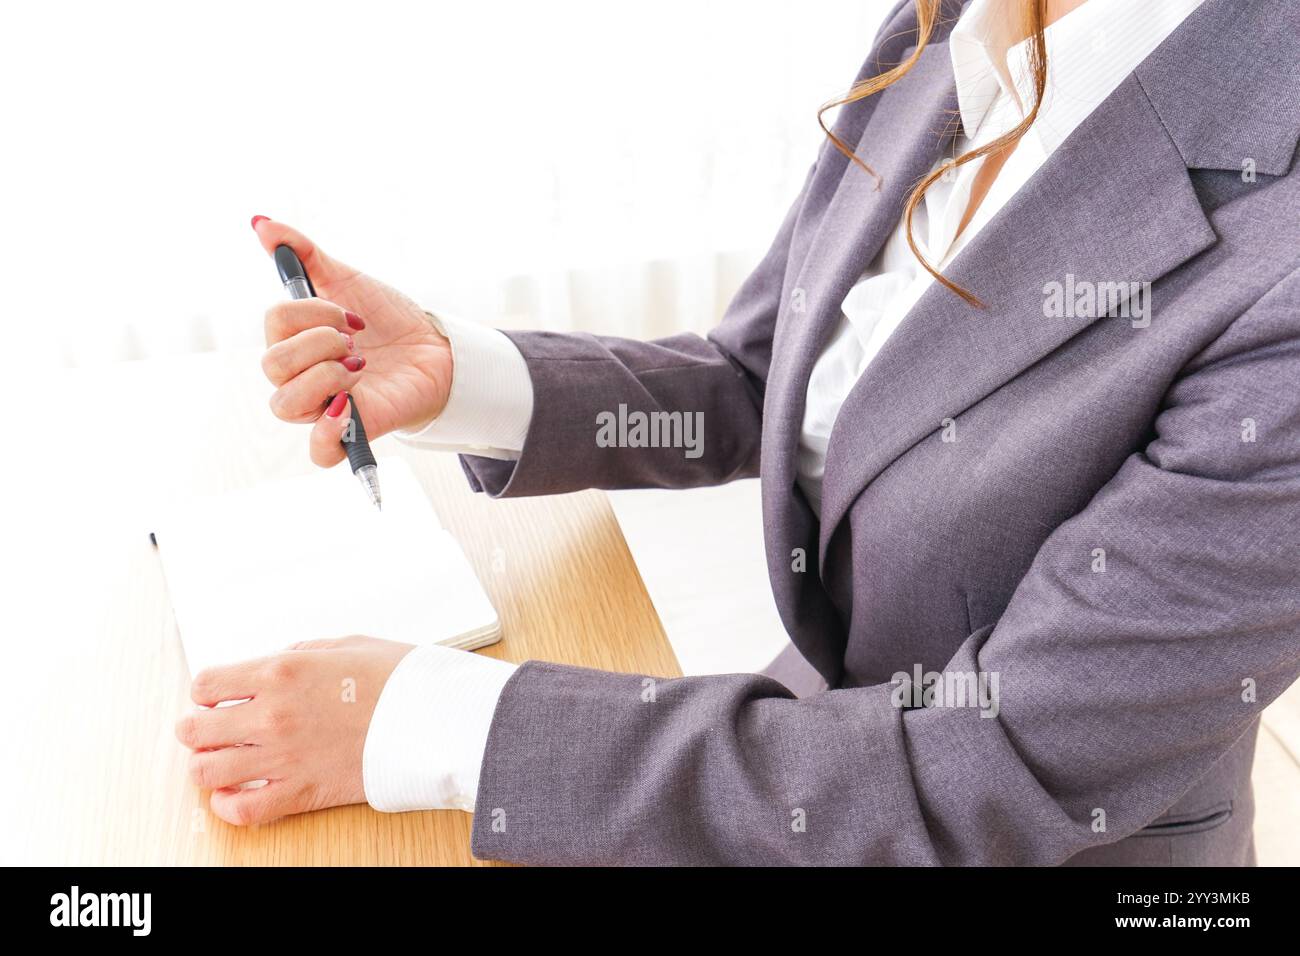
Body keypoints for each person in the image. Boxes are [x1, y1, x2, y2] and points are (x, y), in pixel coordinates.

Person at [175, 0, 1300, 865]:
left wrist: (445, 723)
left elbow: (988, 761)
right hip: (799, 749)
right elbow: (777, 375)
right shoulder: (963, 25)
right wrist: (464, 374)